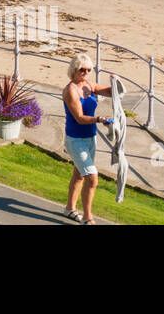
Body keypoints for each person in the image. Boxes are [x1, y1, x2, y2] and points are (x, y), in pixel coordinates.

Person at [62, 52, 115, 225]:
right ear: (74, 70)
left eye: (89, 70)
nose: (85, 73)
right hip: (75, 140)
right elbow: (79, 118)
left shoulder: (89, 85)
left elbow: (110, 92)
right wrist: (99, 119)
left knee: (79, 174)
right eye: (82, 69)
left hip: (90, 138)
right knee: (92, 178)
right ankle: (87, 217)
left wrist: (115, 83)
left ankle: (69, 209)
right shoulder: (70, 91)